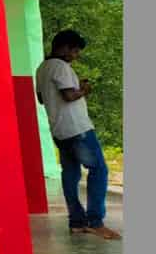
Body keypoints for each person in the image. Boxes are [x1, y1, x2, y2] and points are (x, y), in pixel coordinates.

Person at [36, 30, 121, 240]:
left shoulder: (42, 68)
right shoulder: (60, 67)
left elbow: (41, 98)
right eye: (75, 51)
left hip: (59, 130)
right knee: (99, 170)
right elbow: (68, 95)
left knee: (71, 174)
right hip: (78, 129)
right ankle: (95, 222)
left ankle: (76, 222)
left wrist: (75, 88)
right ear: (64, 47)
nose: (76, 55)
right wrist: (83, 89)